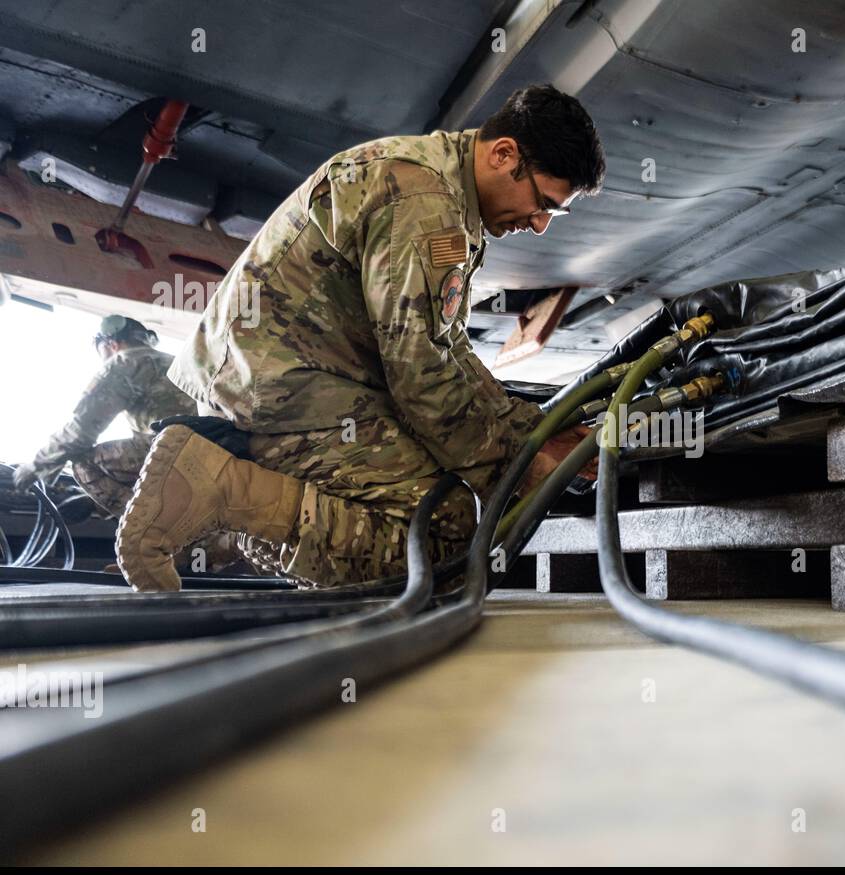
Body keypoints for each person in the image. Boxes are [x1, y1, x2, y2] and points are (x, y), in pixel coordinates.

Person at [116, 84, 605, 590]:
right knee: (447, 527)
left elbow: (446, 344)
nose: (542, 224)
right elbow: (420, 373)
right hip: (285, 390)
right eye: (545, 203)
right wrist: (512, 472)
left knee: (435, 504)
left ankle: (246, 510)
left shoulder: (443, 189)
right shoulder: (425, 202)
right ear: (504, 155)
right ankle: (219, 490)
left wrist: (527, 432)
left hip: (287, 379)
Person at [11, 314, 194, 515]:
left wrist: (34, 468)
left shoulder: (124, 363)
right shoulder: (177, 363)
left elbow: (81, 431)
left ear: (111, 344)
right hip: (209, 454)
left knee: (83, 461)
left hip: (169, 452)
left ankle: (145, 520)